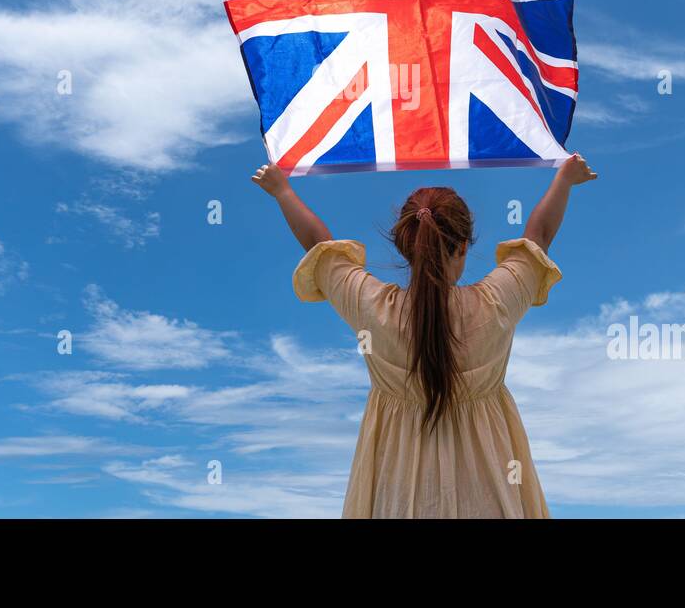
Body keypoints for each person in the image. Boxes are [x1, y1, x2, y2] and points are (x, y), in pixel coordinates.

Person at [251, 153, 598, 518]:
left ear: (405, 246)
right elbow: (538, 237)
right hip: (492, 494)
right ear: (463, 247)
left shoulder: (373, 309)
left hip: (397, 496)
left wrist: (282, 191)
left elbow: (319, 246)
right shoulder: (497, 303)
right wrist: (563, 180)